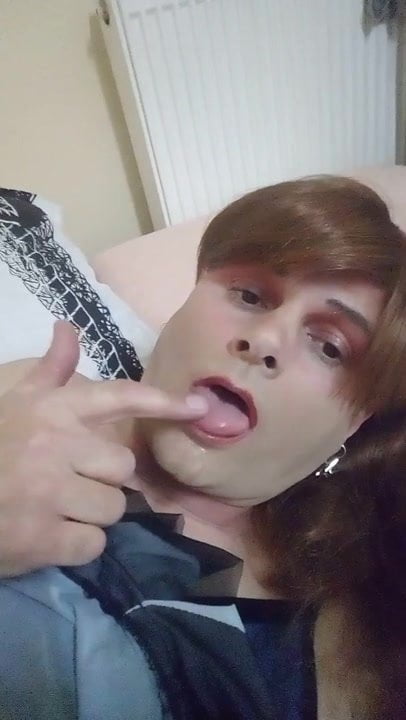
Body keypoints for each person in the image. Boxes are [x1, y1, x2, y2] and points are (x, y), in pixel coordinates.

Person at [0, 175, 405, 719]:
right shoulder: (34, 399)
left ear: (357, 423)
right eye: (250, 295)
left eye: (330, 346)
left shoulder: (343, 628)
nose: (263, 339)